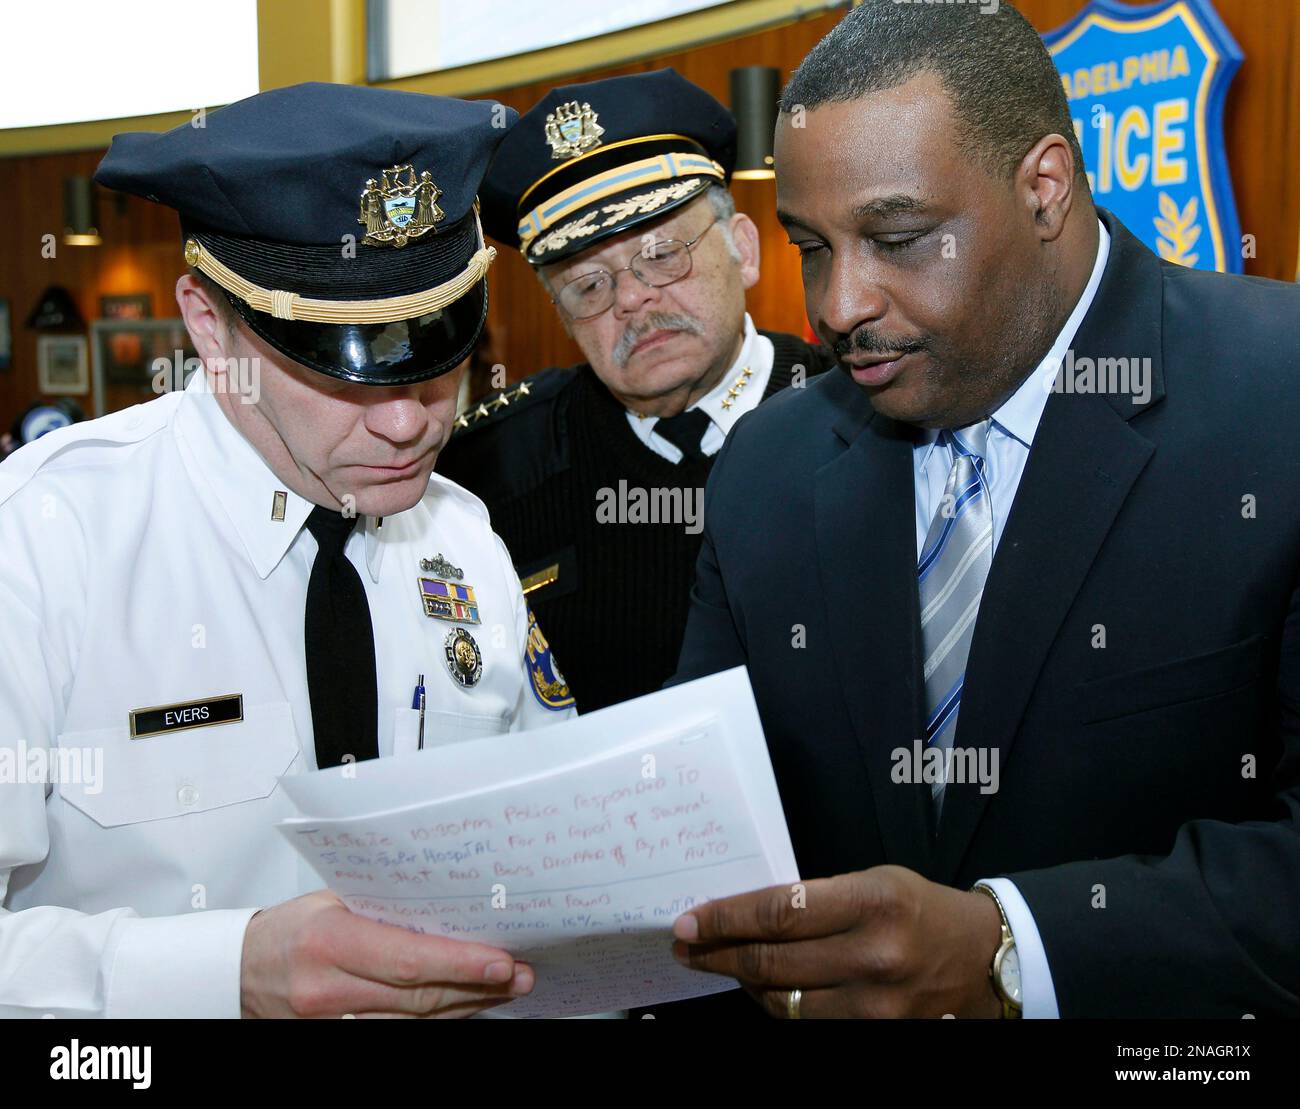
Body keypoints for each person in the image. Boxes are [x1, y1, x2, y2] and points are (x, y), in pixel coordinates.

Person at [667, 0, 1300, 1018]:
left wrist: (1015, 949)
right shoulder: (766, 470)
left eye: (899, 237)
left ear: (1043, 187)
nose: (837, 307)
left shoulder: (1278, 398)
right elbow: (702, 839)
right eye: (811, 246)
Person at [0, 82, 577, 1019]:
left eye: (434, 346)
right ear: (207, 322)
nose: (405, 421)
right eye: (333, 359)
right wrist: (228, 970)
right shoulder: (40, 545)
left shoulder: (464, 540)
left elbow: (545, 832)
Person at [437, 70, 833, 713]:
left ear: (744, 251)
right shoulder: (491, 472)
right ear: (561, 315)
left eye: (662, 254)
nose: (630, 299)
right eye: (588, 285)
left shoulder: (865, 418)